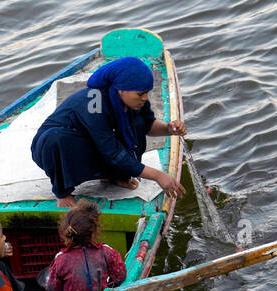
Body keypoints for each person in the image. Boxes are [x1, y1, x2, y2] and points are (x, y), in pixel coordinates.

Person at [31, 55, 186, 206]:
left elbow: (148, 126)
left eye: (147, 93)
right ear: (121, 90)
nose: (145, 98)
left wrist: (169, 129)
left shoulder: (137, 101)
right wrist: (157, 176)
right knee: (57, 139)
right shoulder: (95, 101)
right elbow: (111, 151)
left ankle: (111, 176)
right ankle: (62, 191)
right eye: (140, 94)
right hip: (53, 149)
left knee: (137, 122)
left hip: (92, 140)